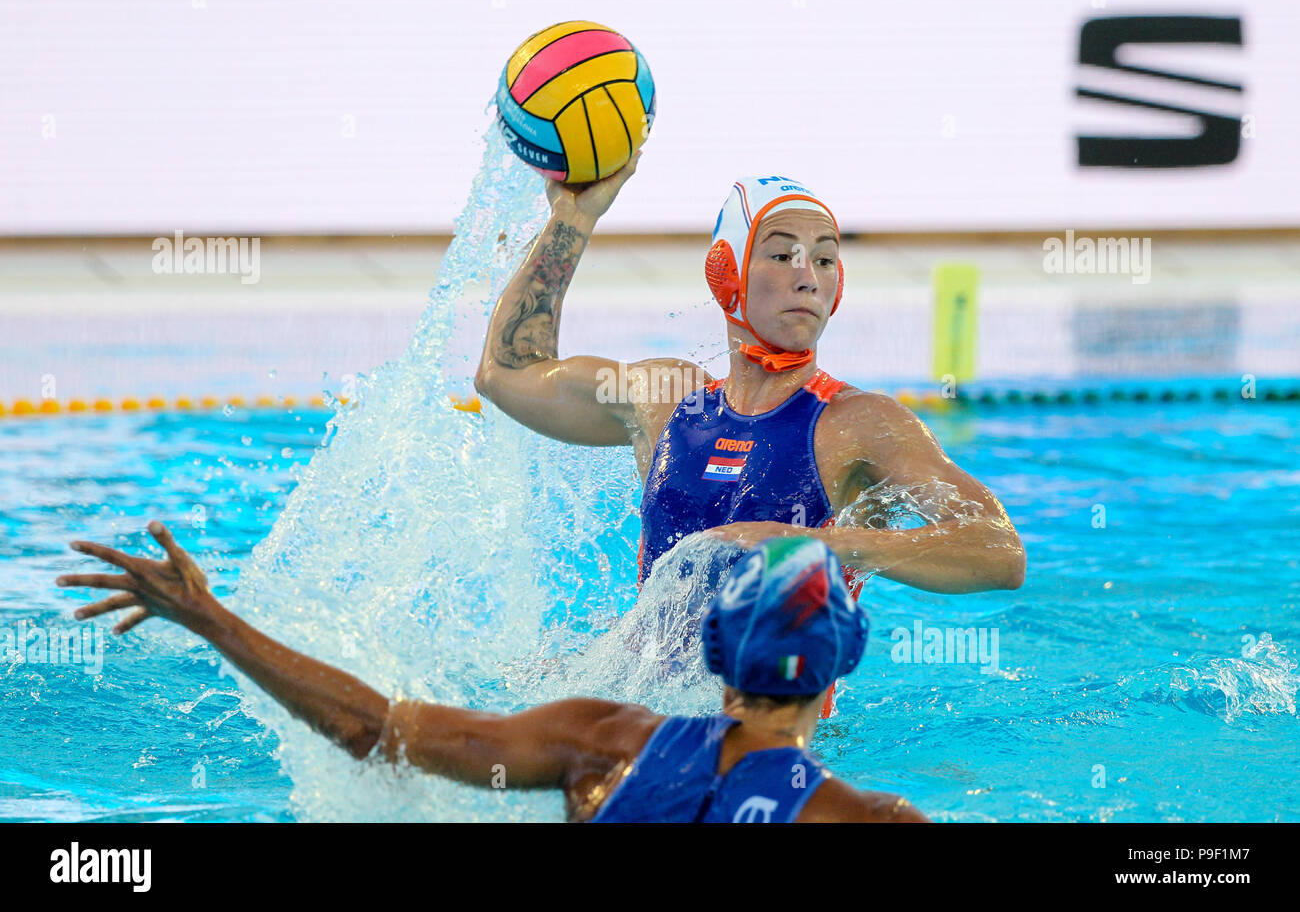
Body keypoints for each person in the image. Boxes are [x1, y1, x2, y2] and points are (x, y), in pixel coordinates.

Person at [60, 522, 927, 823]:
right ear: (839, 673)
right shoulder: (874, 818)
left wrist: (208, 616)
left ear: (713, 659)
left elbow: (369, 729)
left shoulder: (598, 740)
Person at [474, 161, 1026, 598]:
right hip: (641, 719)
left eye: (826, 260)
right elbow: (505, 373)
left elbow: (998, 552)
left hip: (776, 734)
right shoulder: (666, 402)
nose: (807, 278)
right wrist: (572, 220)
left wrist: (817, 546)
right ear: (726, 271)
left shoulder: (860, 423)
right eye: (782, 254)